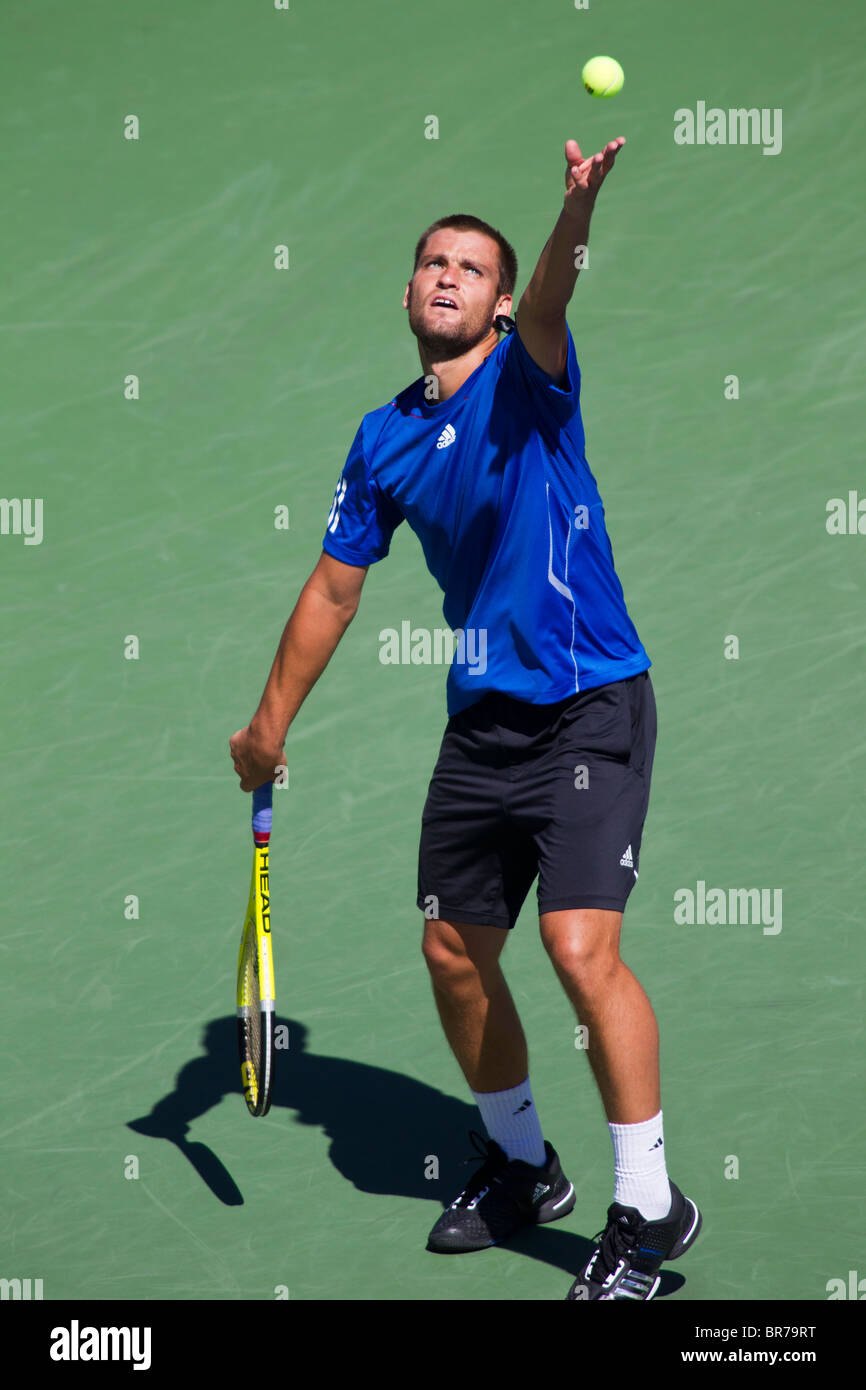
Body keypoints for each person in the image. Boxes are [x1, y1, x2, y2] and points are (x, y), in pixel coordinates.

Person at [230, 136, 701, 1301]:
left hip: (590, 704)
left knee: (576, 948)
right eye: (430, 263)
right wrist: (265, 724)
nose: (448, 276)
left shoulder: (529, 373)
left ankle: (647, 1207)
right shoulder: (381, 438)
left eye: (470, 269)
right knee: (452, 947)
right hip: (484, 723)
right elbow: (337, 585)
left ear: (496, 302)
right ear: (406, 293)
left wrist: (573, 212)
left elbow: (554, 289)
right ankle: (521, 1162)